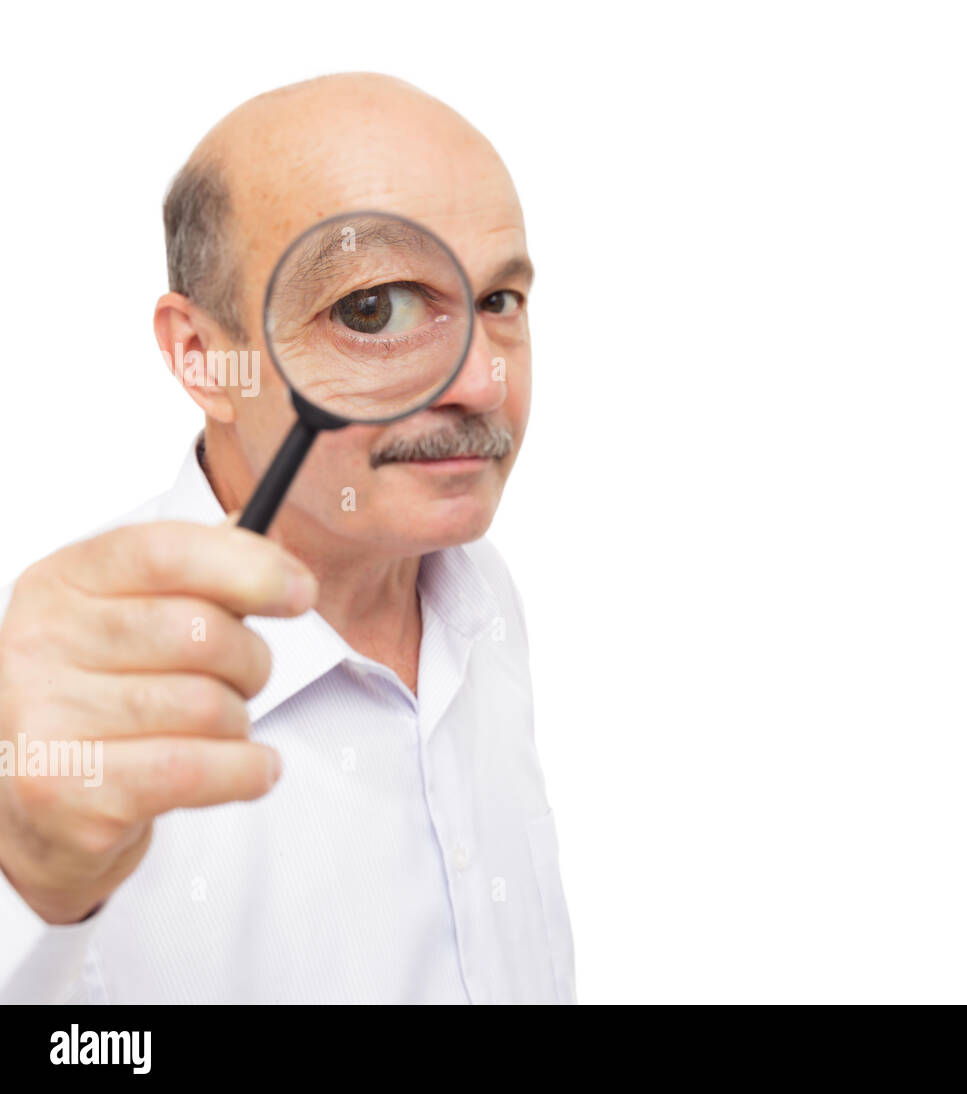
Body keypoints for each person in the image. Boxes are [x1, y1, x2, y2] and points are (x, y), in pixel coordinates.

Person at [0, 73, 574, 1003]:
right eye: (372, 309)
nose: (481, 381)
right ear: (203, 357)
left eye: (499, 301)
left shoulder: (479, 595)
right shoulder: (59, 699)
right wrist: (27, 878)